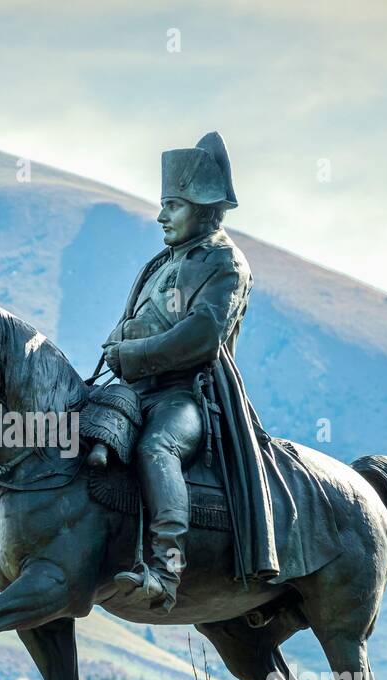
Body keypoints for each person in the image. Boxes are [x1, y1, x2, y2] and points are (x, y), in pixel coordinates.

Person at [100, 131, 280, 611]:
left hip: (189, 396)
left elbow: (201, 336)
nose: (161, 216)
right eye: (163, 204)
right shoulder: (161, 262)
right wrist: (117, 346)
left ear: (202, 209)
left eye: (173, 205)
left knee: (157, 445)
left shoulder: (226, 262)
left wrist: (133, 355)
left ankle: (166, 568)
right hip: (135, 390)